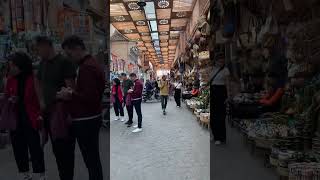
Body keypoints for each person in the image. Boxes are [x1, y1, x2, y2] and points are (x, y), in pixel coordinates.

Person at [57, 35, 104, 180]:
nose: (68, 57)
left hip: (87, 119)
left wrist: (70, 93)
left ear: (77, 49)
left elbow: (90, 97)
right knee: (92, 159)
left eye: (69, 53)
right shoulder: (89, 64)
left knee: (91, 160)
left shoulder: (87, 68)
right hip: (89, 117)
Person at [34, 36, 76, 180]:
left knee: (65, 152)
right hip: (48, 114)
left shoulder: (64, 62)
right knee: (56, 150)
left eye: (39, 47)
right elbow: (37, 82)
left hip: (62, 115)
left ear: (47, 45)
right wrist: (41, 101)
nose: (38, 51)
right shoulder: (43, 63)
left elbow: (71, 89)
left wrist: (61, 95)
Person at [5, 52, 46, 180]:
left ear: (21, 66)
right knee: (18, 146)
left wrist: (40, 114)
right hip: (16, 117)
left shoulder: (33, 79)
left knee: (34, 146)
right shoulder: (10, 80)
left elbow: (40, 98)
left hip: (31, 117)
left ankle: (40, 173)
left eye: (13, 66)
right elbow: (7, 95)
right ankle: (24, 173)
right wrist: (10, 99)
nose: (10, 68)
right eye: (10, 66)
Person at [209, 53, 230, 145]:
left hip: (222, 92)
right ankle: (215, 135)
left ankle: (221, 138)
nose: (221, 62)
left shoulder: (226, 70)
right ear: (216, 61)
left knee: (221, 116)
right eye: (220, 61)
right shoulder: (212, 69)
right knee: (213, 116)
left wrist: (228, 96)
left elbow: (228, 84)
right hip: (213, 92)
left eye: (223, 61)